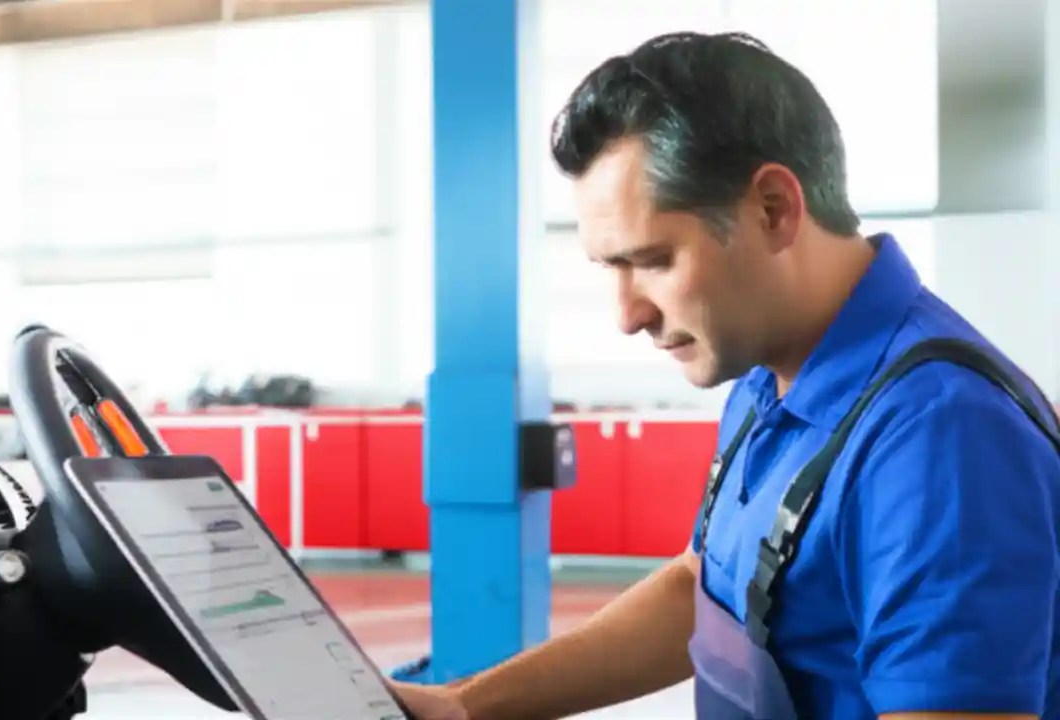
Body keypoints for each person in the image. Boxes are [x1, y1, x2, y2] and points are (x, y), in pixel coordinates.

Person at [391, 30, 1060, 720]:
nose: (627, 315)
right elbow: (702, 591)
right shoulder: (766, 377)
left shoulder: (939, 435)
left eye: (653, 261)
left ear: (773, 209)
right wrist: (463, 706)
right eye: (610, 268)